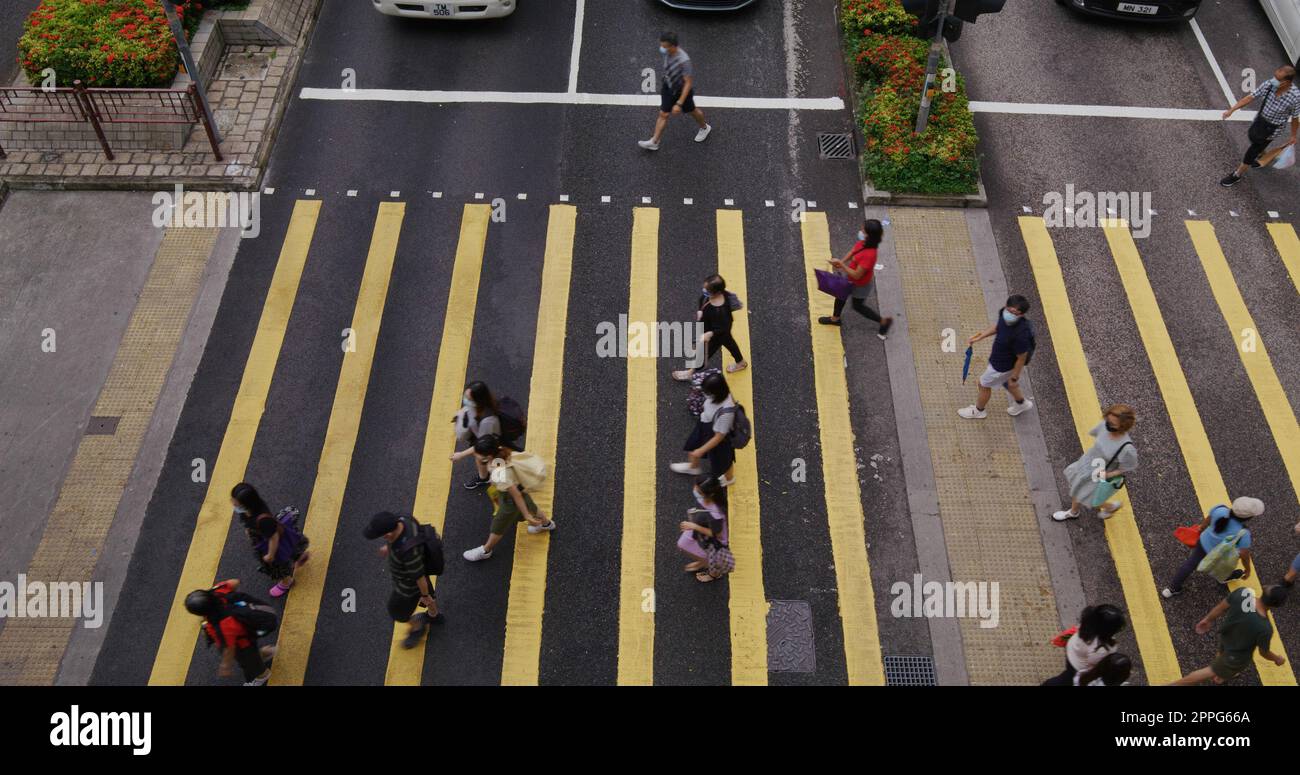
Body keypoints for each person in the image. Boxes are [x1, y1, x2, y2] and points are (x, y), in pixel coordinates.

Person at [462, 434, 555, 562]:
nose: (475, 454)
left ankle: (486, 550)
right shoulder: (499, 454)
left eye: (477, 453)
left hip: (509, 500)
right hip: (517, 489)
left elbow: (515, 494)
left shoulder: (500, 472)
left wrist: (527, 515)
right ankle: (546, 524)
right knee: (529, 504)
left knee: (498, 525)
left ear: (488, 456)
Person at [1170, 585, 1287, 685]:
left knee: (1222, 654)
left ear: (1265, 588)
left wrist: (1208, 619)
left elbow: (1221, 607)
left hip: (1226, 636)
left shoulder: (1243, 593)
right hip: (1236, 655)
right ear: (1276, 605)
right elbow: (1263, 652)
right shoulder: (1265, 628)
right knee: (1209, 671)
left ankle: (1221, 671)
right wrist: (1277, 659)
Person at [363, 511, 445, 648]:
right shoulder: (405, 519)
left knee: (396, 612)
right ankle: (434, 615)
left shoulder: (408, 553)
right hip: (421, 568)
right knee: (429, 594)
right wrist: (390, 547)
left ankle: (418, 627)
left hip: (408, 587)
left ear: (388, 535)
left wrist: (424, 596)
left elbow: (418, 578)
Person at [1161, 496, 1262, 599]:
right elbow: (1244, 554)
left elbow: (1206, 522)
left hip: (1203, 543)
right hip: (1220, 555)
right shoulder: (1243, 533)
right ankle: (1224, 577)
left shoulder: (1220, 509)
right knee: (1223, 567)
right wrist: (1248, 569)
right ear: (1249, 518)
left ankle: (1172, 589)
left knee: (1190, 564)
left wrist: (1200, 529)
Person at [1051, 405, 1139, 522]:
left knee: (1087, 497)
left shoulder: (1127, 448)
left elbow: (1126, 467)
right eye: (1108, 420)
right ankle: (1075, 511)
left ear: (1123, 426)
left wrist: (1108, 475)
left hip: (1100, 473)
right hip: (1087, 462)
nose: (1108, 424)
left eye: (1113, 424)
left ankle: (1107, 507)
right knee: (1078, 489)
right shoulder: (1104, 425)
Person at [1219, 65, 1300, 188]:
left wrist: (1293, 135)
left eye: (1278, 79)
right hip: (1260, 121)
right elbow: (1250, 97)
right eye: (1275, 76)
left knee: (1252, 151)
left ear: (1286, 82)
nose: (1274, 80)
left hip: (1272, 129)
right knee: (1252, 136)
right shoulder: (1270, 85)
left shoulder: (1295, 97)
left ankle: (1237, 175)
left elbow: (1295, 117)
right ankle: (1262, 153)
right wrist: (1232, 110)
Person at [185, 579, 276, 686]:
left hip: (243, 643)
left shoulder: (223, 624)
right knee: (252, 653)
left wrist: (226, 665)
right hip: (251, 626)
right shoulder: (218, 591)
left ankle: (262, 675)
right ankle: (263, 654)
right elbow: (235, 582)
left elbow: (229, 648)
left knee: (248, 661)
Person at [957, 294, 1035, 419]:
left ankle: (979, 410)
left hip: (1002, 366)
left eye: (1016, 313)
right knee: (1007, 382)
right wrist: (980, 336)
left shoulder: (1021, 335)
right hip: (998, 361)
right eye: (1010, 310)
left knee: (983, 384)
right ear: (1006, 306)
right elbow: (998, 327)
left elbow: (1022, 358)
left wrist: (1014, 377)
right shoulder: (1004, 315)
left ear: (1021, 315)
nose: (1011, 314)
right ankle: (1021, 403)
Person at [817, 219, 894, 340]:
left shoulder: (869, 254)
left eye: (863, 229)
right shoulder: (864, 243)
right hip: (850, 279)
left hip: (860, 285)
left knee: (858, 306)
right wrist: (841, 261)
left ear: (869, 234)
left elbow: (858, 275)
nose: (861, 230)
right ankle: (835, 319)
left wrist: (841, 265)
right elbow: (853, 252)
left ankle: (883, 321)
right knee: (840, 295)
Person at [231, 482, 310, 597]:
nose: (233, 503)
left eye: (236, 503)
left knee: (275, 565)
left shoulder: (263, 520)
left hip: (268, 543)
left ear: (246, 504)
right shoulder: (251, 509)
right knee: (288, 547)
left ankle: (286, 582)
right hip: (262, 535)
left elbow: (274, 537)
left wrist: (270, 555)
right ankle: (299, 556)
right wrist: (249, 530)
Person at [638, 32, 711, 151]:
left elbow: (688, 83)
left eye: (664, 47)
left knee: (692, 111)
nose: (662, 49)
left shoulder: (684, 61)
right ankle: (654, 141)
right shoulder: (669, 52)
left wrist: (679, 103)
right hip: (668, 87)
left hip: (681, 92)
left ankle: (704, 128)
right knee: (664, 113)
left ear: (673, 46)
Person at [673, 274, 747, 381]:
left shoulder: (720, 311)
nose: (704, 291)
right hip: (712, 329)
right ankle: (740, 362)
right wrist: (700, 310)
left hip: (716, 335)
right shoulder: (713, 295)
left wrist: (710, 334)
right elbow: (702, 298)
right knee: (729, 343)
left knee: (703, 354)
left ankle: (689, 373)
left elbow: (724, 328)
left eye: (707, 291)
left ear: (717, 292)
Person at [670, 371, 736, 484]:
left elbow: (719, 437)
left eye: (707, 392)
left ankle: (729, 479)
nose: (704, 393)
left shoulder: (726, 413)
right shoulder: (723, 393)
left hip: (719, 438)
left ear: (716, 392)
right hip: (705, 424)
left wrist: (700, 451)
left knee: (724, 461)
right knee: (693, 444)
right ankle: (693, 467)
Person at [1041, 604, 1126, 686]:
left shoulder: (1089, 621)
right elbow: (1093, 663)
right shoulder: (1101, 649)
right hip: (1078, 666)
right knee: (1065, 680)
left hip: (1072, 651)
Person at [449, 381, 503, 490]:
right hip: (481, 437)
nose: (465, 400)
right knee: (482, 460)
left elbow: (483, 443)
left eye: (468, 399)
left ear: (478, 399)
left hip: (489, 443)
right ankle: (485, 478)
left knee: (488, 461)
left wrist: (461, 455)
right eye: (465, 396)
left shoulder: (487, 421)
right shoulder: (476, 406)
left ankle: (499, 483)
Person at [677, 475, 730, 584]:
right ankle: (704, 561)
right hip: (702, 527)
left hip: (714, 540)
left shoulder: (716, 514)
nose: (695, 490)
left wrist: (694, 526)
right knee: (683, 544)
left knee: (712, 558)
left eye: (698, 490)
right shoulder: (709, 498)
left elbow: (717, 534)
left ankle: (714, 573)